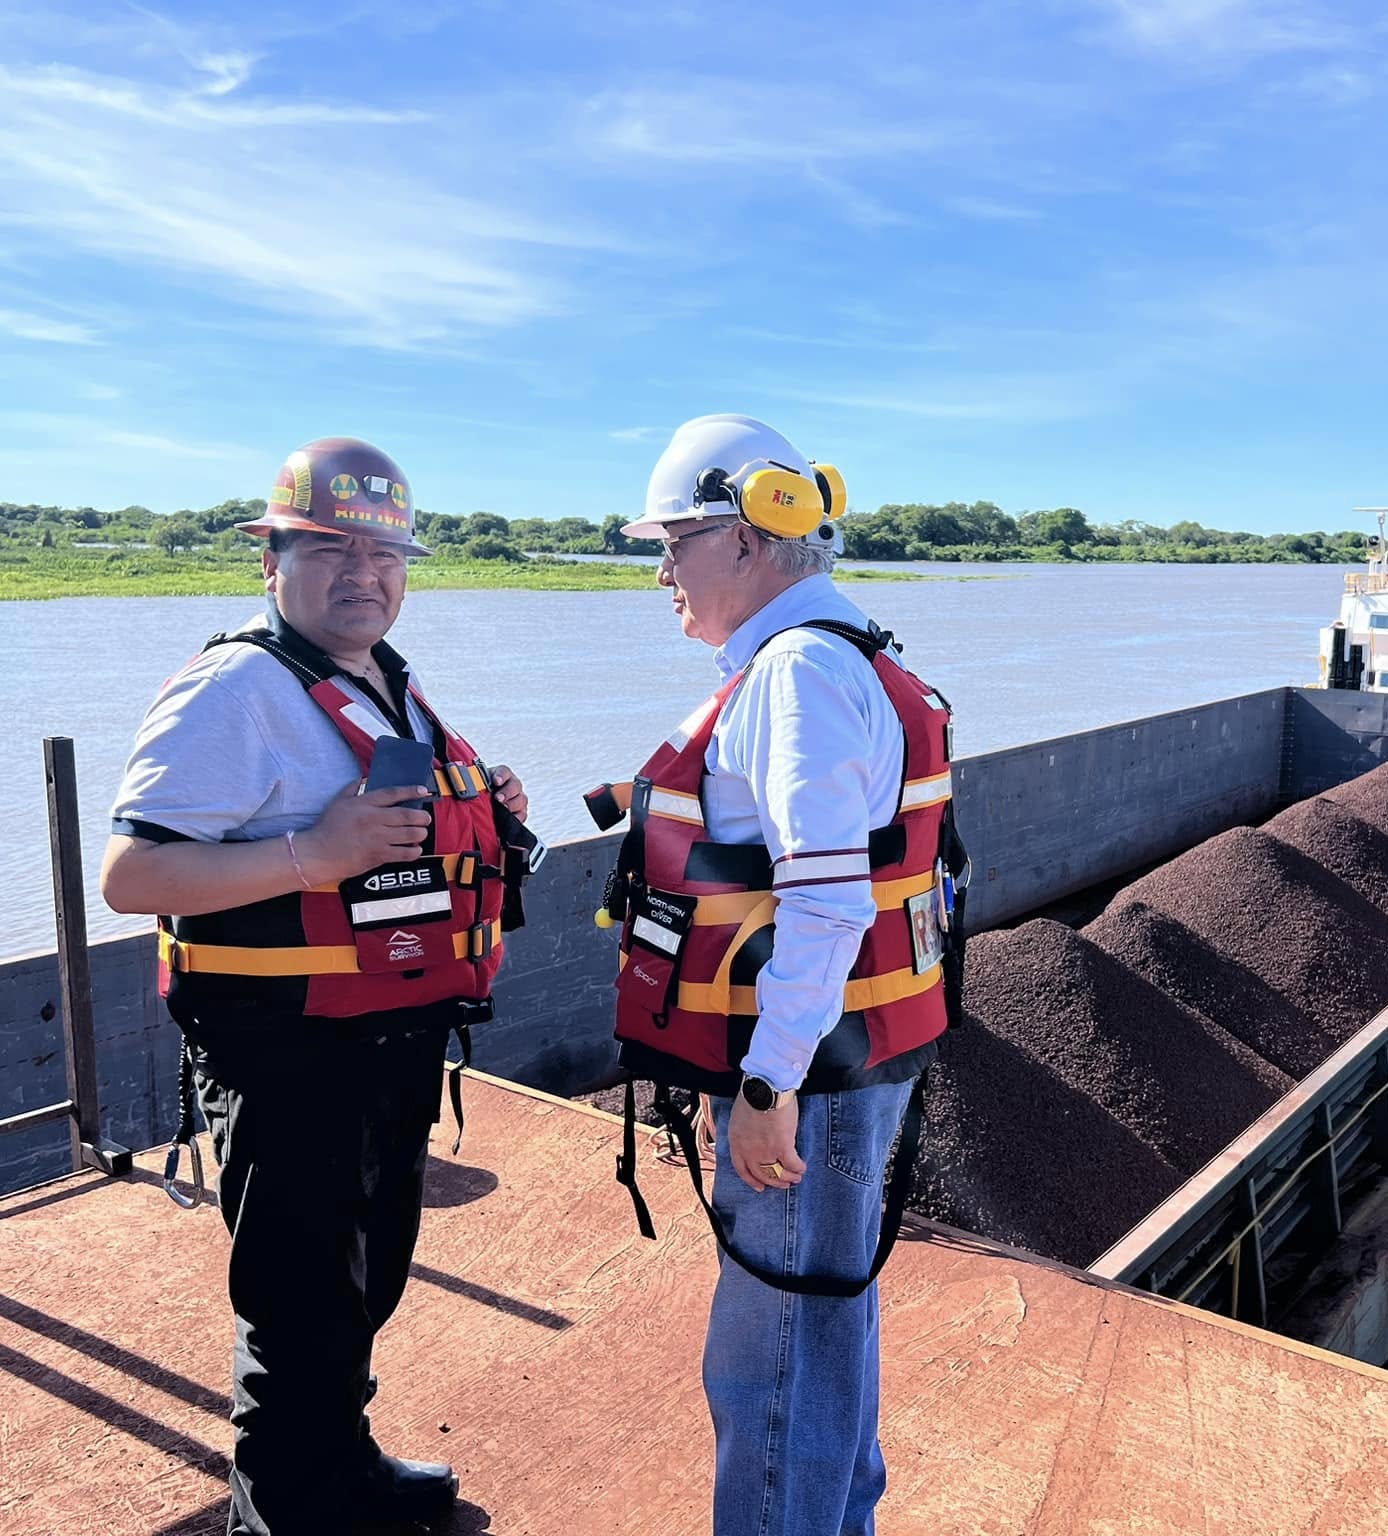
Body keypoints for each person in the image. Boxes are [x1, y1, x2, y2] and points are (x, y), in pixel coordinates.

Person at [101, 437, 535, 1536]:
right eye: (330, 550)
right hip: (286, 1050)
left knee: (363, 1282)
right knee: (296, 1310)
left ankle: (345, 1472)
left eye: (384, 554)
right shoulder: (236, 685)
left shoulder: (389, 679)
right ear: (272, 561)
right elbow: (131, 875)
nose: (362, 576)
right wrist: (316, 855)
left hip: (391, 1040)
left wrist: (481, 806)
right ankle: (287, 1512)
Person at [601, 414, 964, 1535]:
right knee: (824, 1325)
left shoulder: (794, 675)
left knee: (773, 1356)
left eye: (674, 542)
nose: (661, 570)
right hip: (850, 1058)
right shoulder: (847, 654)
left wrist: (767, 1086)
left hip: (807, 1074)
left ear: (750, 541)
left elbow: (823, 895)